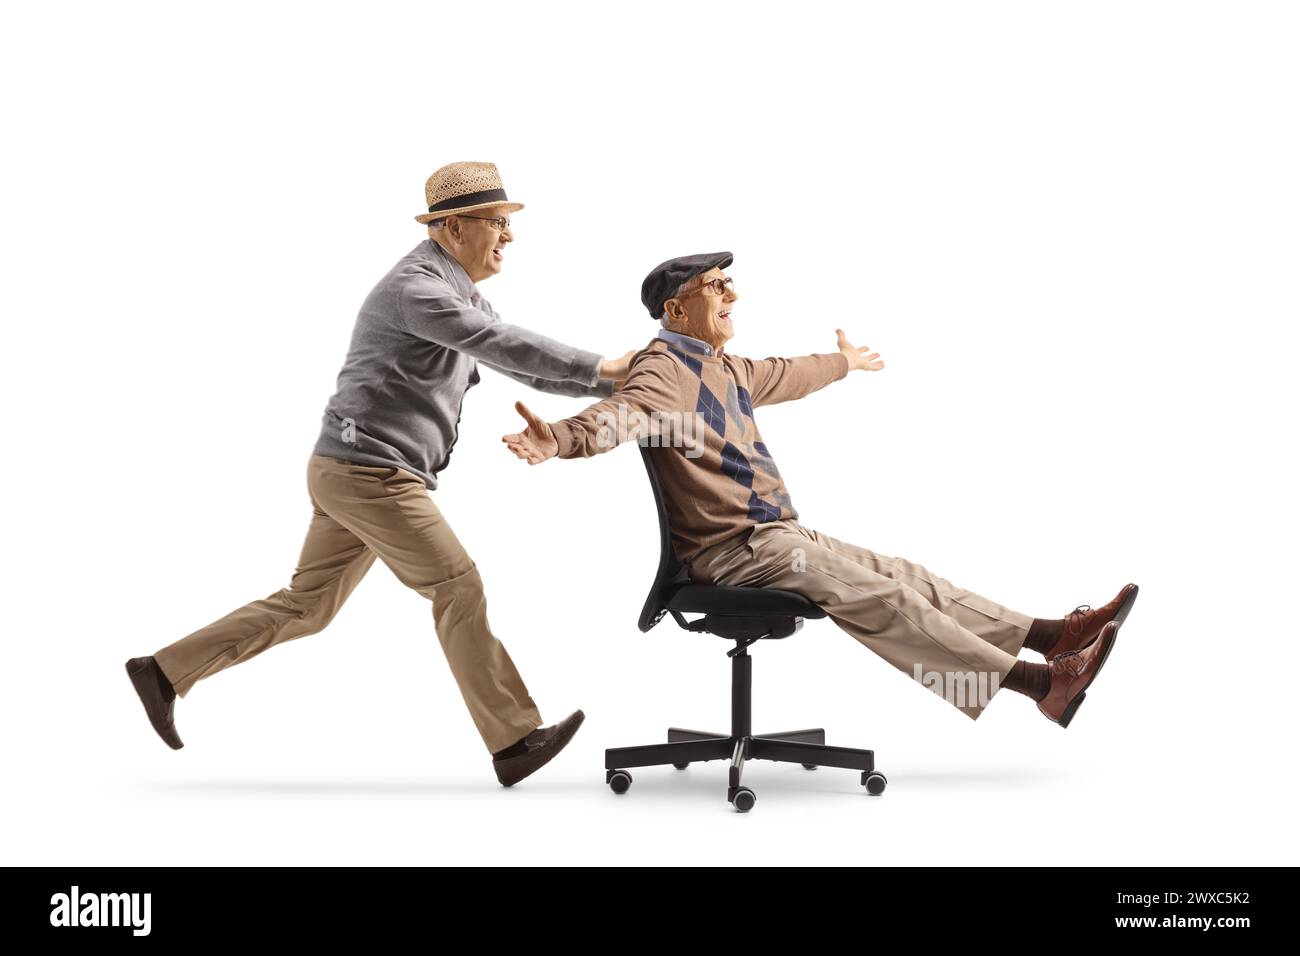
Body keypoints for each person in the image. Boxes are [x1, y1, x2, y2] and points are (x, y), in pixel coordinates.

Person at [127, 161, 637, 785]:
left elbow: (508, 353)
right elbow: (501, 343)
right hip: (372, 474)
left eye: (510, 223)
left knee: (307, 607)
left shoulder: (460, 291)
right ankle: (514, 741)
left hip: (347, 469)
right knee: (458, 586)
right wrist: (605, 366)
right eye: (498, 223)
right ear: (453, 227)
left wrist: (605, 377)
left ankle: (163, 670)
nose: (509, 235)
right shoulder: (416, 289)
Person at [502, 251, 1137, 725]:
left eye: (730, 283)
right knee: (880, 596)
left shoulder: (725, 367)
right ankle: (1039, 687)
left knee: (910, 577)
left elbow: (790, 373)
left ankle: (1057, 637)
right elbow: (619, 416)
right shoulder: (663, 370)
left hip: (776, 537)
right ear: (675, 309)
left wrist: (845, 364)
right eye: (715, 286)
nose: (733, 293)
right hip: (734, 552)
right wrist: (555, 439)